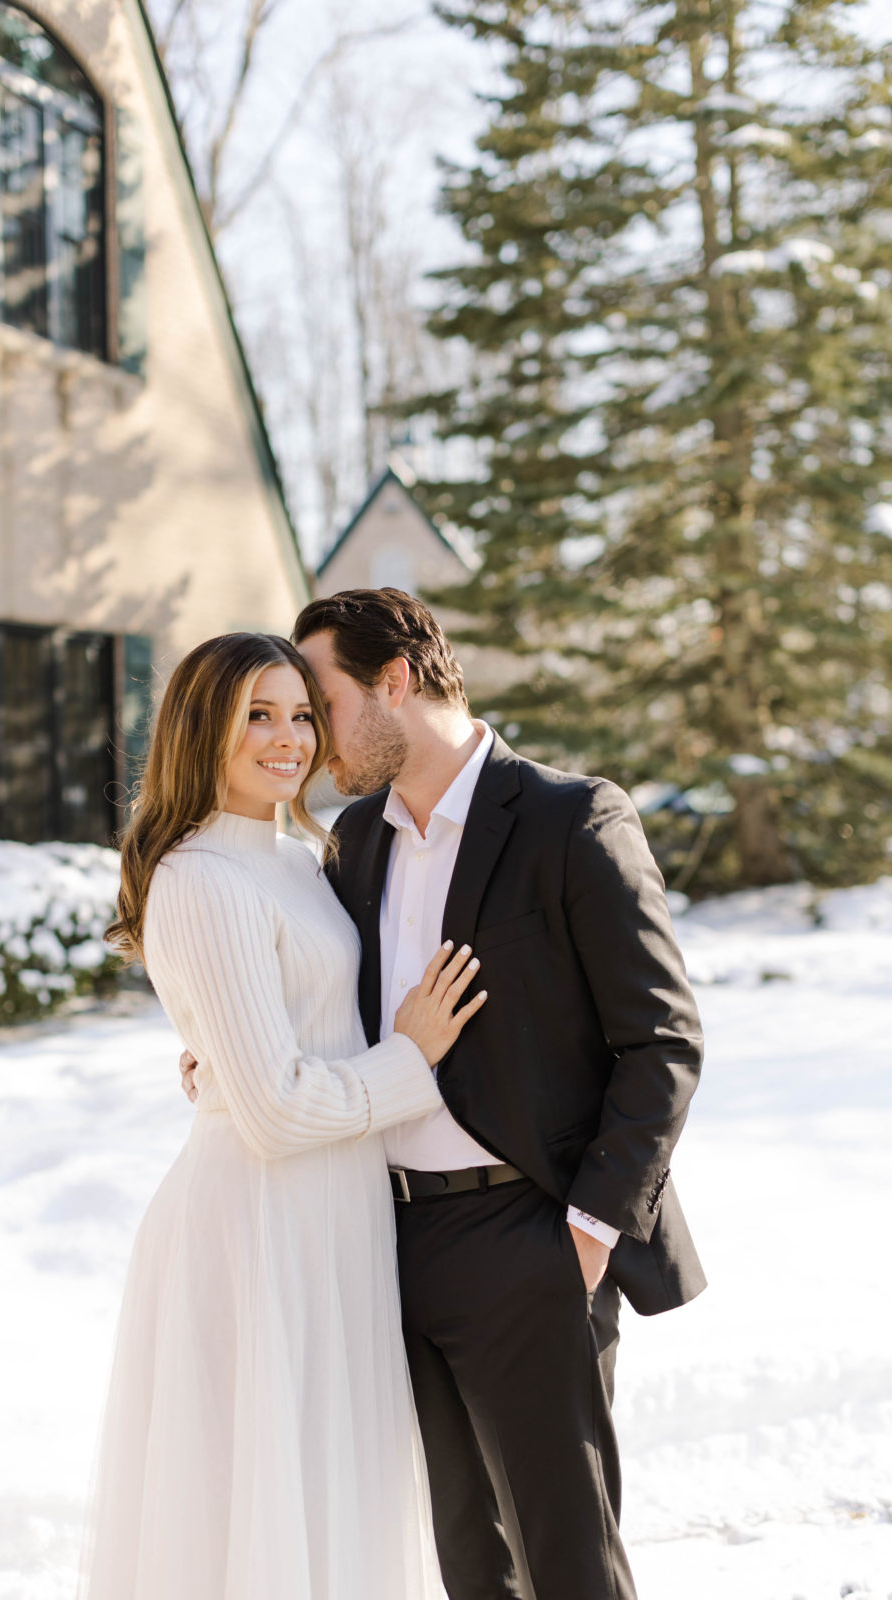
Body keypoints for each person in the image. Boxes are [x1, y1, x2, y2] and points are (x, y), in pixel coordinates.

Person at [188, 590, 706, 1598]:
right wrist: (223, 1053)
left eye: (320, 704)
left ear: (395, 682)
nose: (303, 735)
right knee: (467, 1561)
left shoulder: (568, 817)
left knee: (567, 1560)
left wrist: (588, 1229)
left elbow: (661, 1039)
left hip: (531, 1234)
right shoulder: (353, 845)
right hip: (385, 1240)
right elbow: (315, 1004)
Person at [78, 629, 488, 1600]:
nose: (288, 737)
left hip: (333, 1214)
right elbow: (272, 1109)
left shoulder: (301, 857)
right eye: (256, 714)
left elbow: (286, 1037)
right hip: (258, 1224)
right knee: (258, 1510)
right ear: (198, 729)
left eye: (301, 713)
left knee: (332, 1496)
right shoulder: (198, 876)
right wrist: (413, 1061)